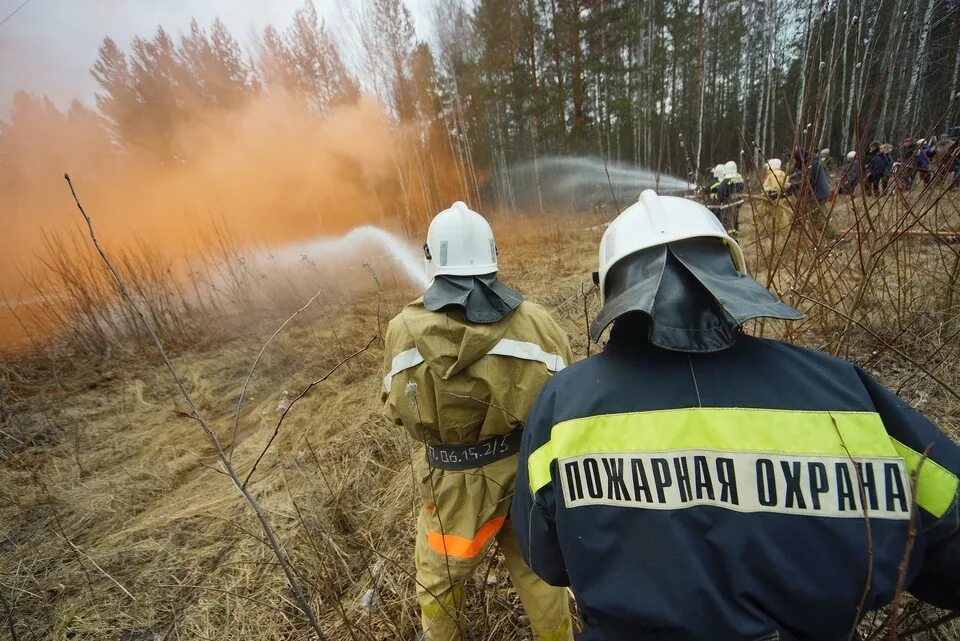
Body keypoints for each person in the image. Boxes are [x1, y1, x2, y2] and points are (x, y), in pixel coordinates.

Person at [511, 189, 960, 641]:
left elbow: (544, 555)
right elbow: (949, 528)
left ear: (610, 288)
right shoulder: (842, 393)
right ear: (732, 273)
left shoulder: (563, 406)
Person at [381, 202, 574, 641]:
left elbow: (395, 408)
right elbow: (566, 394)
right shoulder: (537, 323)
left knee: (439, 580)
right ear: (492, 255)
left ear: (431, 258)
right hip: (527, 473)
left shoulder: (402, 331)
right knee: (539, 573)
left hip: (451, 486)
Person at [716, 160, 744, 233]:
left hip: (728, 204)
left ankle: (728, 234)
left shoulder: (726, 181)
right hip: (737, 202)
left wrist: (719, 198)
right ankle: (735, 232)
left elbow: (720, 193)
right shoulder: (739, 179)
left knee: (726, 219)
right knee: (735, 217)